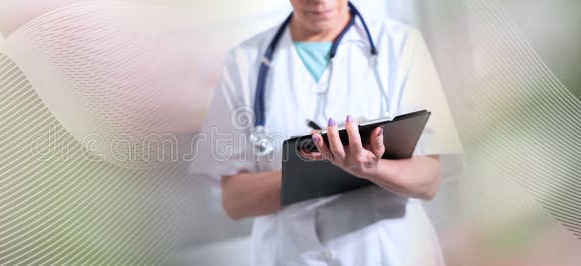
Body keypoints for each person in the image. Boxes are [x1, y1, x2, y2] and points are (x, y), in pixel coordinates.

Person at [189, 0, 463, 265]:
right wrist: (323, 167)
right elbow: (236, 201)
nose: (320, 1)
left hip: (388, 254)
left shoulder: (400, 43)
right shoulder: (244, 62)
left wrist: (372, 169)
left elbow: (429, 180)